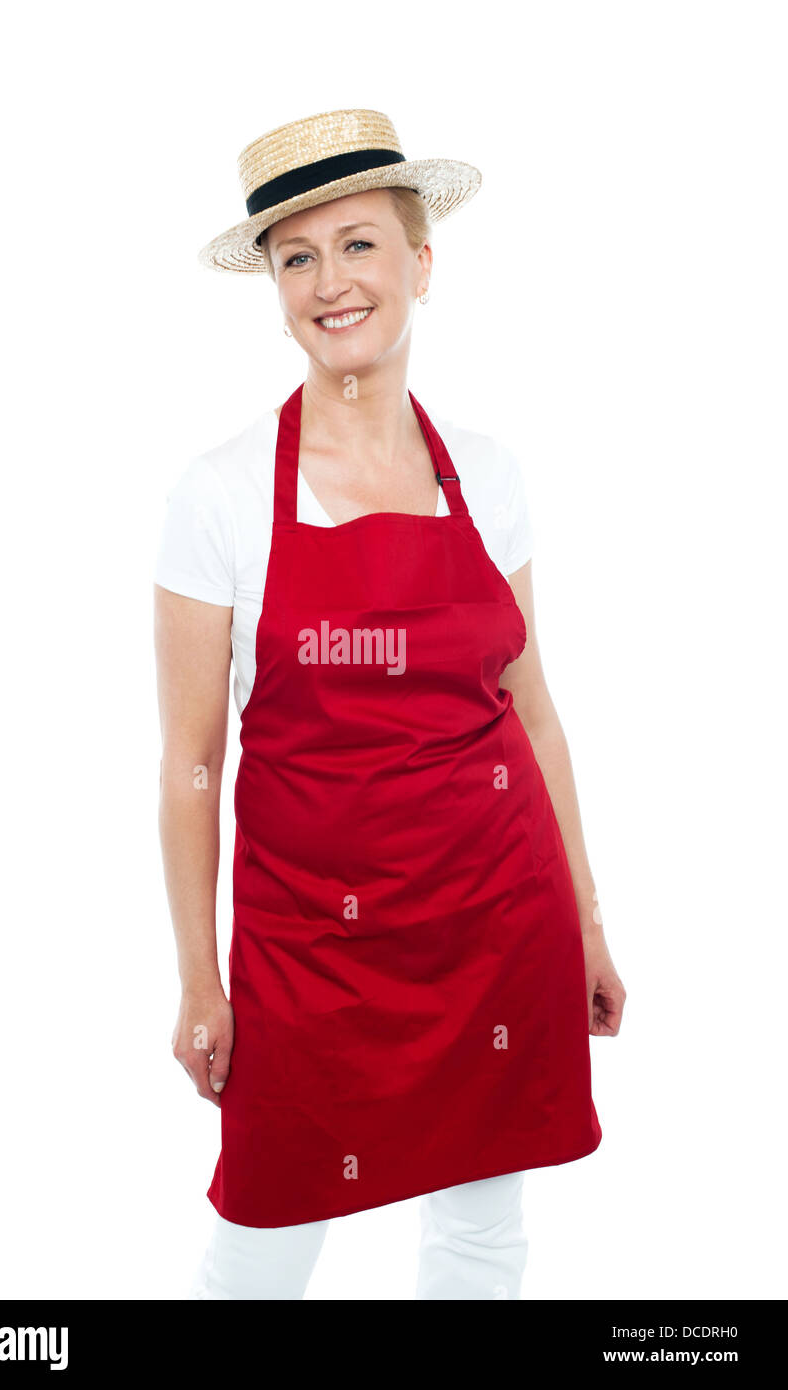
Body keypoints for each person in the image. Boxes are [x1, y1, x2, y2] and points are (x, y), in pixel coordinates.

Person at [153, 108, 626, 1300]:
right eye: (296, 256)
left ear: (421, 263)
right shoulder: (217, 495)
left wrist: (584, 917)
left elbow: (533, 711)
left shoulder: (488, 474)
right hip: (310, 947)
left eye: (360, 244)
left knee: (479, 1231)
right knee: (260, 1242)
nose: (330, 281)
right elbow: (191, 763)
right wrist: (199, 975)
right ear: (273, 287)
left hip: (492, 918)